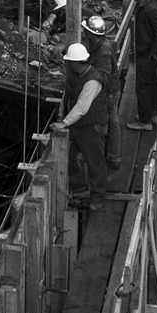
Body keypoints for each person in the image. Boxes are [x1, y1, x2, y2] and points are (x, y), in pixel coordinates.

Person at [55, 43, 108, 211]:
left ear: (77, 62)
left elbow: (81, 107)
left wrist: (63, 123)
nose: (68, 64)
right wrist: (62, 116)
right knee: (69, 155)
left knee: (95, 162)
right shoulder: (76, 75)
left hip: (91, 126)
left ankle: (98, 197)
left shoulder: (92, 80)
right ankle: (78, 187)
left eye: (70, 61)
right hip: (76, 124)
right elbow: (67, 96)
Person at [81, 15, 122, 170]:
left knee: (109, 123)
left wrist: (86, 74)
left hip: (108, 92)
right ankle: (112, 156)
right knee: (110, 122)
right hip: (109, 89)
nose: (83, 32)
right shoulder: (97, 44)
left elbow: (103, 76)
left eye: (86, 30)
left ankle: (113, 157)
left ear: (92, 33)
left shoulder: (103, 50)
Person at [128, 0, 157, 132]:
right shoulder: (144, 7)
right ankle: (151, 113)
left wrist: (153, 51)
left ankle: (144, 121)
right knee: (151, 82)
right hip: (148, 53)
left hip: (148, 54)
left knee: (143, 86)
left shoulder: (150, 10)